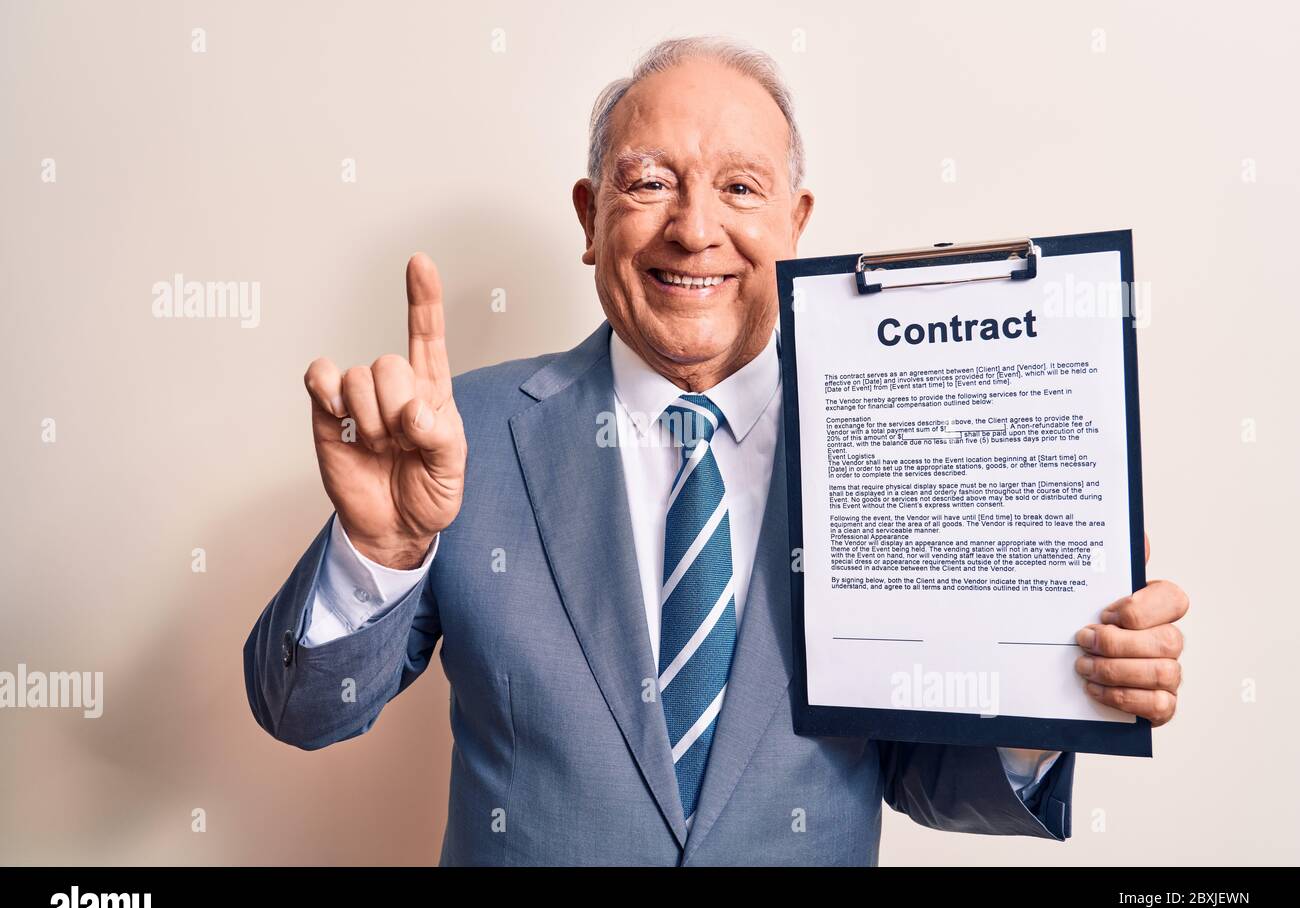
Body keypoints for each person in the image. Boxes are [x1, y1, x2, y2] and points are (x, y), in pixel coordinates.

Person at [243, 36, 1189, 865]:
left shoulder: (891, 445)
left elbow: (925, 774)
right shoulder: (461, 436)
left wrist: (1059, 690)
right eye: (649, 182)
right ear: (588, 217)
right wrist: (382, 550)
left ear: (796, 224)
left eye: (741, 188)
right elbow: (303, 713)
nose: (695, 229)